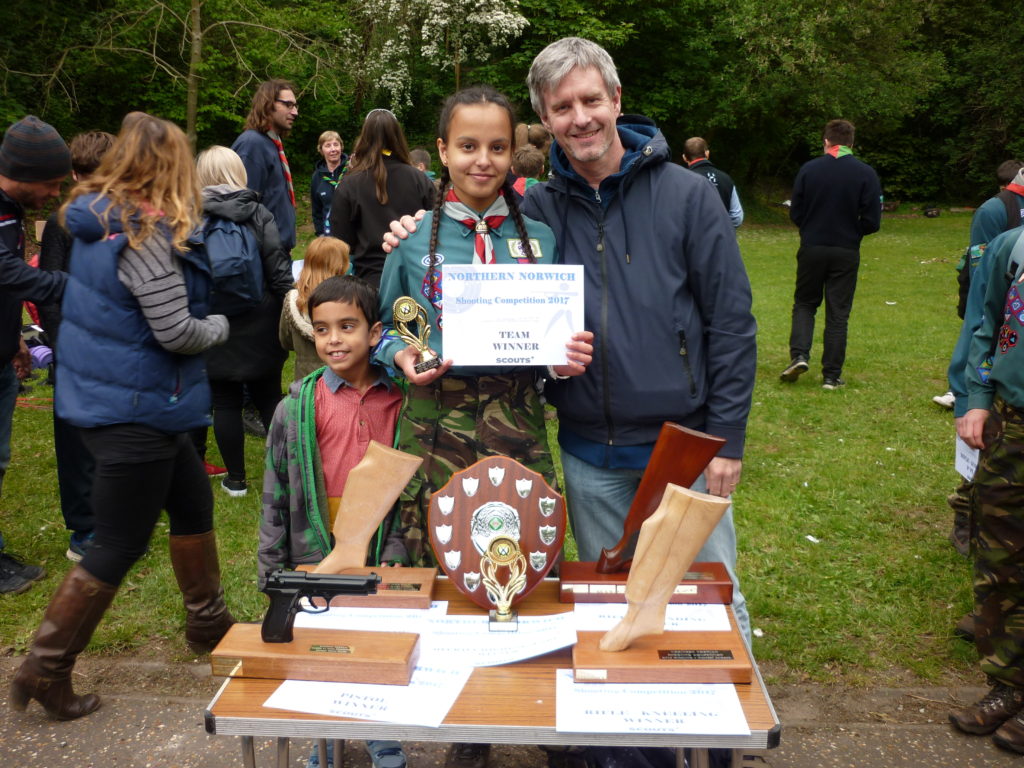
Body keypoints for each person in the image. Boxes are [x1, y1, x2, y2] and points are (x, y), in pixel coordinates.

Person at [385, 38, 756, 653]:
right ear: (547, 119)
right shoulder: (540, 211)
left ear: (616, 99)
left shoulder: (688, 196)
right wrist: (415, 230)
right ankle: (628, 741)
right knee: (608, 595)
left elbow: (733, 323)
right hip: (589, 451)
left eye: (590, 100)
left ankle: (721, 742)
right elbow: (492, 282)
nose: (580, 117)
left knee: (706, 599)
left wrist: (728, 438)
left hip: (681, 445)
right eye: (562, 107)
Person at [378, 84, 592, 768]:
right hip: (436, 432)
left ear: (513, 151)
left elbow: (552, 341)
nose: (483, 160)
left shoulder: (540, 238)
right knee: (446, 574)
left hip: (518, 430)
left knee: (528, 564)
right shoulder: (413, 243)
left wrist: (565, 360)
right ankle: (467, 724)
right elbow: (387, 325)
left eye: (497, 147)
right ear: (442, 151)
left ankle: (547, 715)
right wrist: (400, 354)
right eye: (467, 146)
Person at [10, 113, 234, 721]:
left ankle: (210, 627)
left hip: (117, 401)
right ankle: (45, 668)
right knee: (116, 541)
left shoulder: (97, 222)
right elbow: (176, 330)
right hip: (137, 408)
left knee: (192, 503)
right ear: (170, 169)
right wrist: (221, 326)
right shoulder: (141, 235)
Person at [261, 275, 406, 768]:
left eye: (348, 326)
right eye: (322, 330)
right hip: (317, 548)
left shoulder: (403, 399)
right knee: (327, 646)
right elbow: (275, 495)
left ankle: (383, 738)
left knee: (378, 645)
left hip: (387, 544)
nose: (335, 340)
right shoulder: (296, 407)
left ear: (375, 332)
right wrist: (271, 567)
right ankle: (326, 743)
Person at [949, 222, 1024, 754]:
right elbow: (988, 322)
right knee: (1000, 556)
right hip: (1011, 419)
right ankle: (1009, 685)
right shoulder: (1011, 245)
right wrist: (976, 396)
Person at [196, 145, 293, 497]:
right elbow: (278, 269)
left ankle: (236, 479)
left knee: (225, 402)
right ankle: (284, 474)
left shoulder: (189, 216)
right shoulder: (258, 213)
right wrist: (294, 306)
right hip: (260, 321)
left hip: (213, 323)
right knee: (269, 397)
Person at [0, 115, 71, 594]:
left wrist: (15, 341)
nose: (54, 193)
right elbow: (3, 270)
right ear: (25, 173)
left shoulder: (9, 208)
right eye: (51, 182)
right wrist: (71, 286)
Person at [37, 130, 114, 562]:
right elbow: (49, 293)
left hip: (118, 350)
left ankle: (114, 515)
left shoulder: (124, 218)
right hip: (77, 351)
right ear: (73, 174)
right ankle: (84, 529)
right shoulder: (62, 223)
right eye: (88, 178)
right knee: (77, 443)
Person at [780, 118, 882, 390]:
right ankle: (831, 376)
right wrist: (853, 230)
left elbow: (796, 212)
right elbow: (873, 220)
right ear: (851, 143)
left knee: (804, 303)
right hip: (845, 249)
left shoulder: (809, 169)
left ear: (826, 141)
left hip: (812, 246)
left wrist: (811, 228)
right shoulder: (865, 173)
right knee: (838, 313)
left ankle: (798, 355)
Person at [935, 160, 1024, 411]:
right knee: (980, 329)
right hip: (995, 296)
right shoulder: (993, 210)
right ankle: (960, 389)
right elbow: (981, 275)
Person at [329, 108, 435, 288]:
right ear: (397, 136)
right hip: (416, 280)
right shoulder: (420, 179)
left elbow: (341, 242)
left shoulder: (349, 184)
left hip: (372, 282)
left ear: (364, 136)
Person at [231, 79, 298, 252]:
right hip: (264, 254)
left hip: (277, 252)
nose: (295, 112)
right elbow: (242, 207)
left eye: (295, 106)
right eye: (289, 105)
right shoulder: (252, 145)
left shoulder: (271, 144)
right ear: (268, 104)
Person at [280, 236, 351, 381]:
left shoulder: (292, 301)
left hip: (306, 380)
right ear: (339, 266)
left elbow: (285, 340)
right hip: (344, 376)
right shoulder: (350, 299)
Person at [682, 136, 743, 228]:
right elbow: (737, 217)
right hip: (721, 239)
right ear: (707, 154)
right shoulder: (726, 179)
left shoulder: (681, 180)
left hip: (692, 240)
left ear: (684, 157)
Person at [311, 131, 347, 237]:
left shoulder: (352, 170)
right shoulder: (317, 177)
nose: (333, 149)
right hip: (329, 235)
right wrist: (320, 234)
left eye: (336, 144)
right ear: (321, 150)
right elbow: (316, 210)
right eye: (328, 146)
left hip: (352, 235)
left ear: (341, 147)